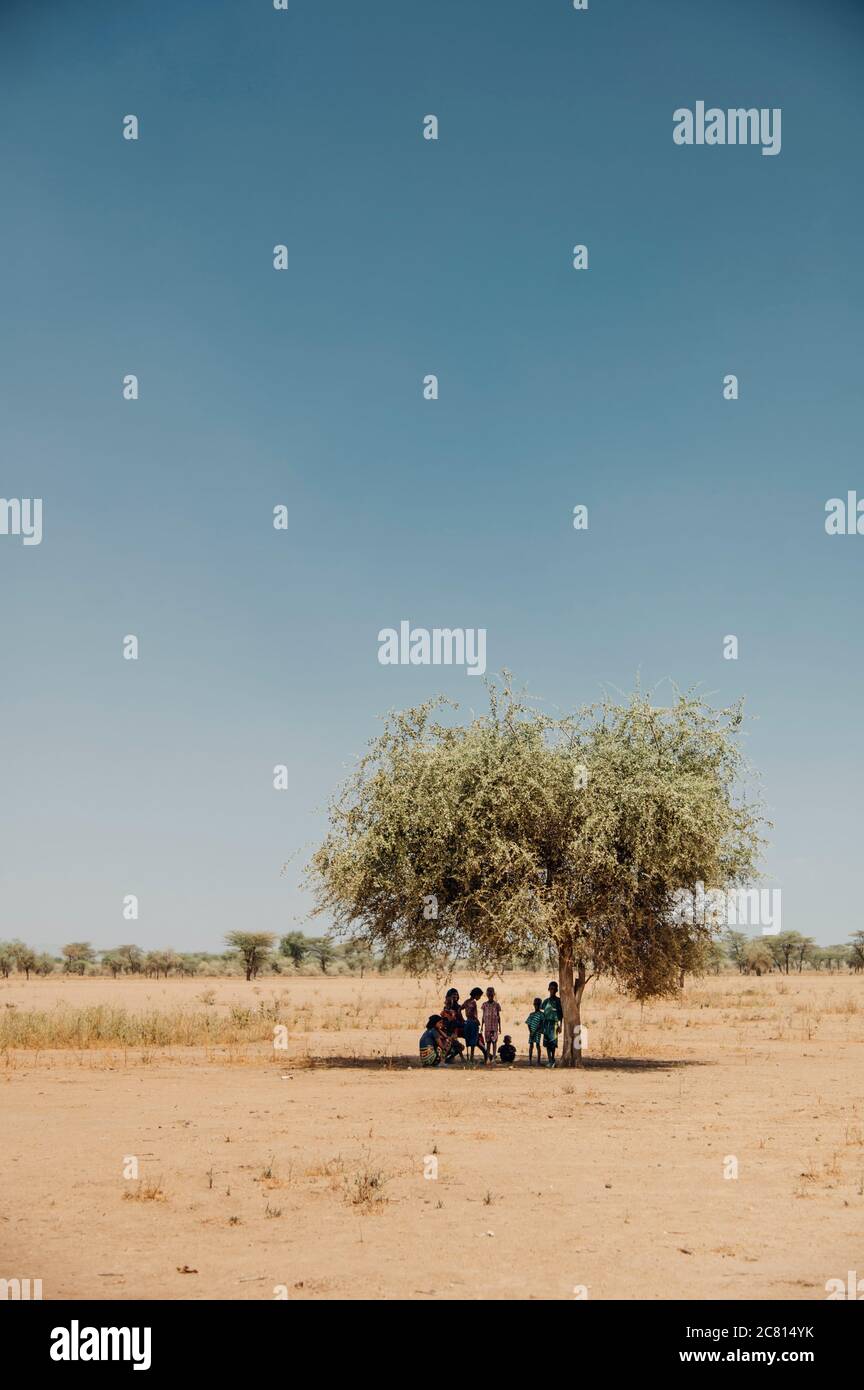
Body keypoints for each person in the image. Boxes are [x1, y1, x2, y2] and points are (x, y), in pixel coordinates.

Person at [462, 987, 487, 1063]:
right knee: (473, 1041)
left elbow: (460, 1009)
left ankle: (469, 1058)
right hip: (473, 1022)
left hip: (467, 1022)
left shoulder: (466, 1001)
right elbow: (473, 1014)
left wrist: (463, 1019)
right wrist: (477, 1020)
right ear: (476, 995)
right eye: (479, 996)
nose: (479, 998)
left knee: (468, 1040)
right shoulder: (473, 1002)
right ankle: (472, 1058)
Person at [481, 986, 502, 1061]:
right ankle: (487, 1059)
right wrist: (481, 1027)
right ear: (487, 995)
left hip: (494, 1027)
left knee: (494, 1043)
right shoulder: (484, 1005)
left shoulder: (496, 1005)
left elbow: (499, 1017)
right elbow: (483, 1016)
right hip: (487, 1027)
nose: (490, 996)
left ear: (494, 995)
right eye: (489, 995)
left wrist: (500, 1027)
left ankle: (493, 1058)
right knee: (488, 1043)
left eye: (492, 995)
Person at [525, 997, 545, 1066]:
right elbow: (528, 1024)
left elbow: (541, 1024)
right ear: (534, 1005)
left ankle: (538, 1062)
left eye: (538, 1005)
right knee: (531, 1046)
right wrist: (531, 1032)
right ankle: (530, 1061)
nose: (536, 1006)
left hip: (537, 1032)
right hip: (532, 1032)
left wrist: (534, 1031)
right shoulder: (531, 1014)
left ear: (540, 1005)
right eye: (535, 1004)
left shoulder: (541, 1015)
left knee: (537, 1045)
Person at [541, 996, 560, 1067]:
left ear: (556, 990)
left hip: (554, 1024)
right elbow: (542, 1011)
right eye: (551, 988)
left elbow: (561, 1015)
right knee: (547, 1043)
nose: (552, 990)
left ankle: (553, 1059)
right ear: (549, 989)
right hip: (546, 1024)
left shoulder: (558, 1001)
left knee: (553, 1043)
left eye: (554, 988)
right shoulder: (546, 1001)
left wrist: (560, 1025)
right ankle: (550, 1060)